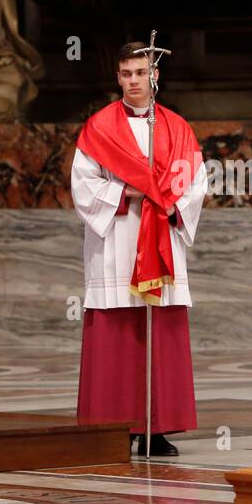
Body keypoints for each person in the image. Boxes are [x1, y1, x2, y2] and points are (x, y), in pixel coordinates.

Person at [71, 41, 208, 456]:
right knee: (117, 334)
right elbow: (83, 184)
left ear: (155, 76)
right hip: (115, 238)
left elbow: (195, 180)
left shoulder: (176, 127)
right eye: (126, 73)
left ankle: (155, 428)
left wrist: (167, 200)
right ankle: (113, 426)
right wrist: (127, 191)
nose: (134, 81)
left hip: (159, 238)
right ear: (117, 77)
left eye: (141, 73)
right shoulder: (98, 127)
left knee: (158, 332)